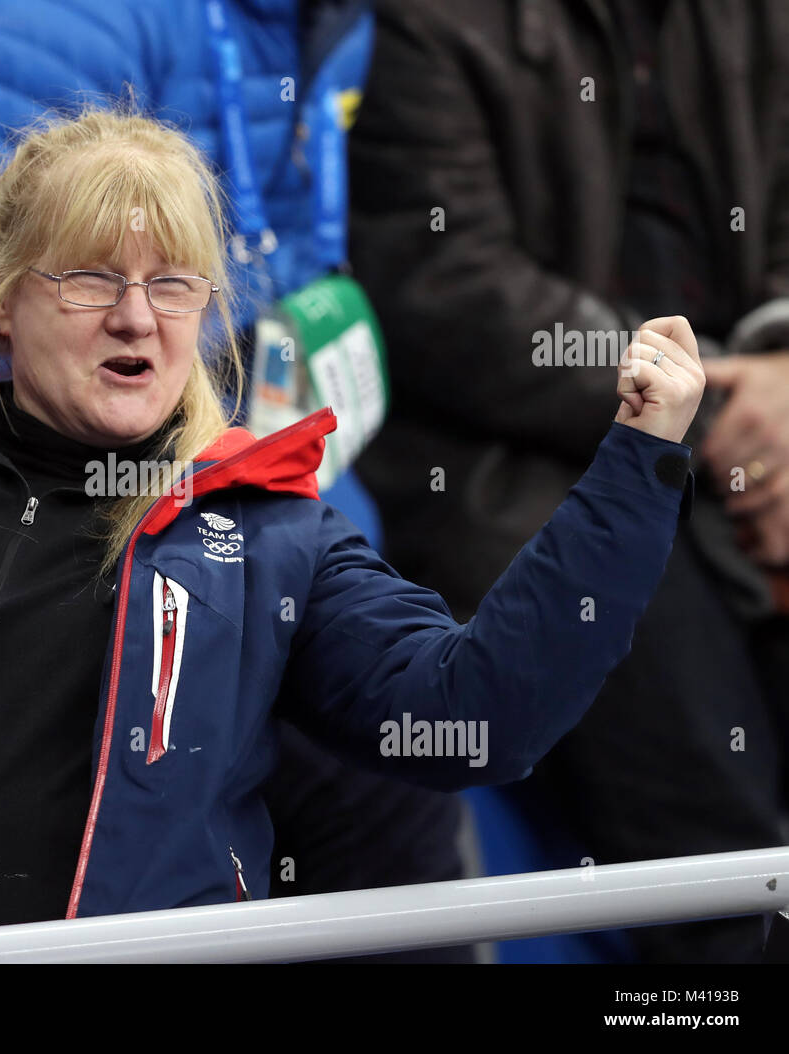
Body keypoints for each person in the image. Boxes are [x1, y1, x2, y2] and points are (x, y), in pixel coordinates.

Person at [0, 104, 702, 956]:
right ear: (4, 301)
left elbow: (479, 713)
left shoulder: (266, 536)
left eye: (171, 284)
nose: (136, 317)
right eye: (93, 276)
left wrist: (637, 466)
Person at [345, 0, 789, 962]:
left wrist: (780, 375)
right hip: (525, 473)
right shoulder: (430, 24)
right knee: (720, 850)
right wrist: (707, 407)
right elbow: (448, 287)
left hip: (760, 422)